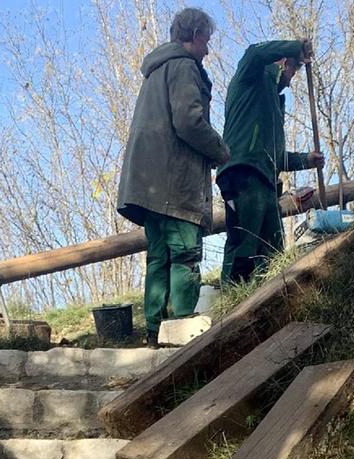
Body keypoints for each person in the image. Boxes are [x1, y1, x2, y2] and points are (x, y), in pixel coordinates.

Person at [116, 8, 229, 346]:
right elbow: (188, 121)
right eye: (206, 41)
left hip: (148, 184)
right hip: (174, 182)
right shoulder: (183, 66)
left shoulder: (155, 71)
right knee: (184, 255)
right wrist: (220, 150)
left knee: (158, 256)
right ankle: (182, 335)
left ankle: (154, 334)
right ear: (193, 35)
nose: (207, 50)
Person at [217, 39, 325, 285]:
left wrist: (305, 160)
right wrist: (295, 47)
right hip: (243, 172)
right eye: (293, 71)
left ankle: (270, 297)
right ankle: (232, 301)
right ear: (282, 63)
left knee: (272, 249)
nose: (292, 79)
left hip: (265, 179)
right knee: (245, 242)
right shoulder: (252, 78)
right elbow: (253, 52)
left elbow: (275, 156)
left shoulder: (274, 103)